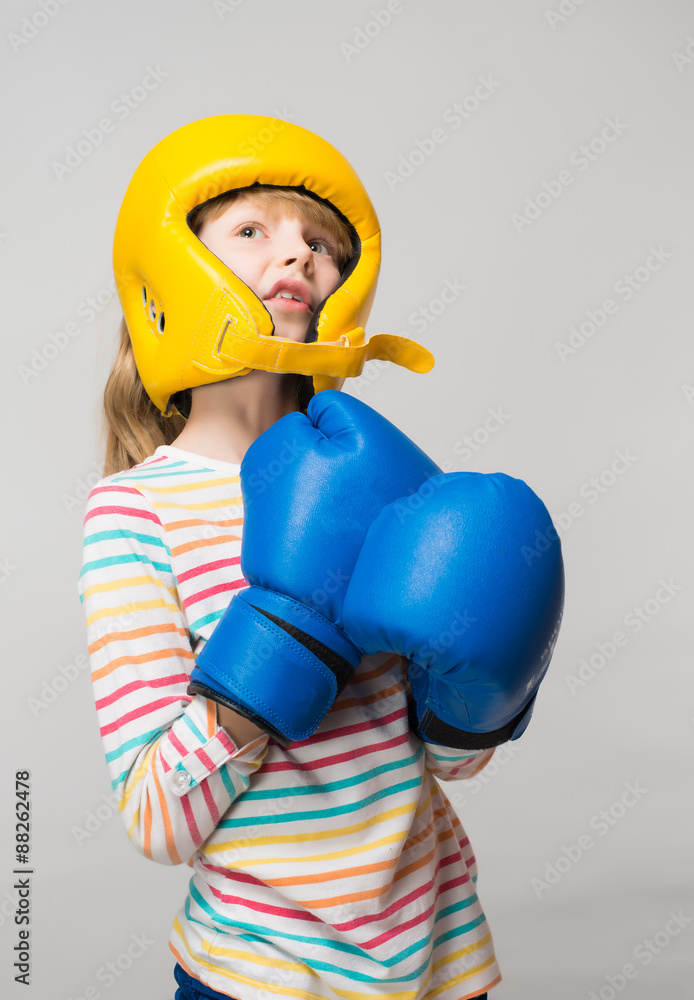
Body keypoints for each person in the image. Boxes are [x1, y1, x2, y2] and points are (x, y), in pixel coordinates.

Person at [79, 115, 562, 1000]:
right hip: (259, 975)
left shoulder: (372, 472)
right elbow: (157, 819)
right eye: (253, 231)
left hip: (443, 959)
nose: (299, 257)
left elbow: (445, 761)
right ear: (171, 269)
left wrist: (488, 689)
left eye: (323, 244)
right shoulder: (134, 511)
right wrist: (283, 644)